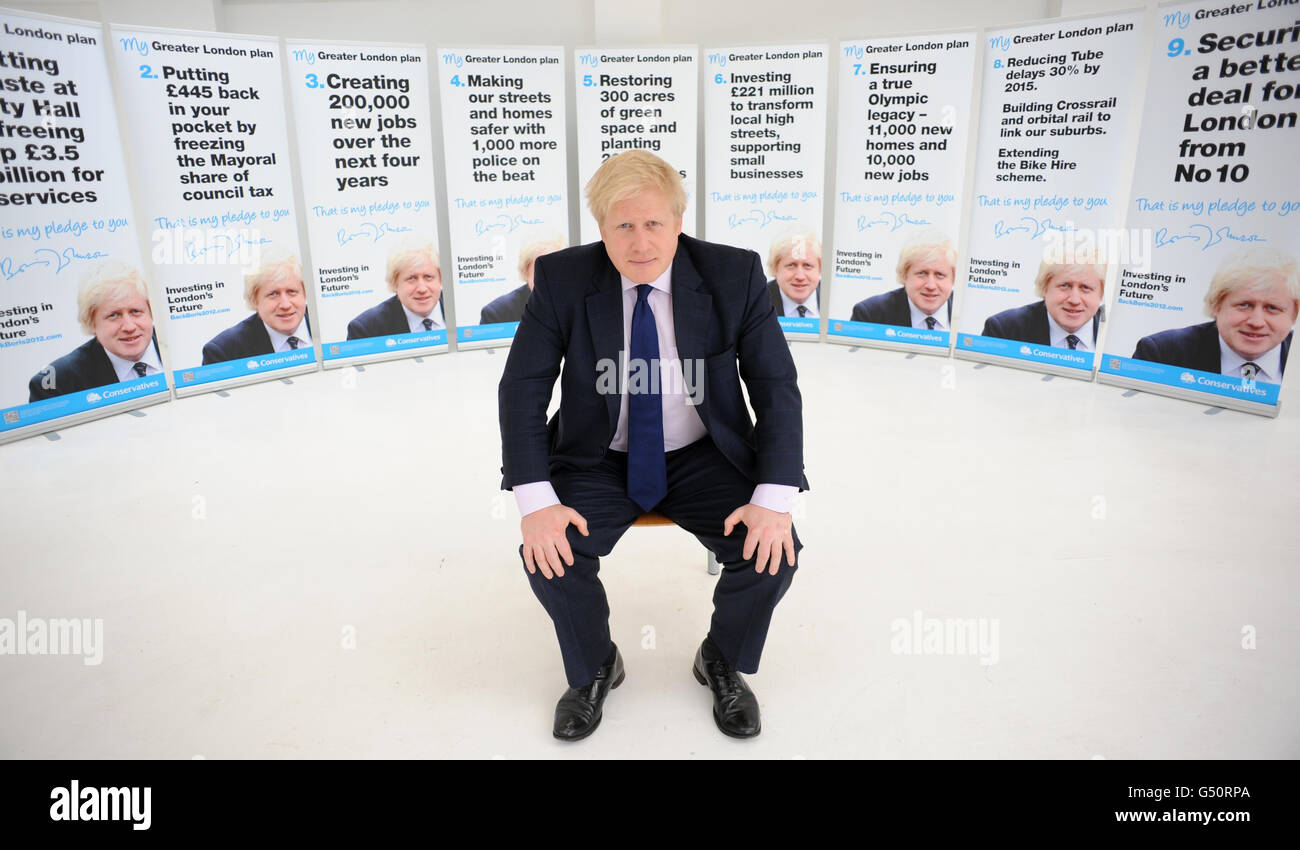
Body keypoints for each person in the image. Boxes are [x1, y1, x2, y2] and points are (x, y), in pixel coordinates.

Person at [498, 150, 807, 741]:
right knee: (550, 552)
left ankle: (721, 657)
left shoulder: (733, 274)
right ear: (601, 229)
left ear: (679, 222)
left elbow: (775, 386)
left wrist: (774, 497)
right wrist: (535, 500)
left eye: (654, 224)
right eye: (623, 226)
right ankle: (595, 666)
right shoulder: (562, 279)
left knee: (776, 549)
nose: (640, 243)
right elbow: (523, 387)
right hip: (598, 456)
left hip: (703, 454)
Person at [1133, 246, 1297, 381]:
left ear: (1294, 314)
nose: (1256, 322)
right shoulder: (1162, 354)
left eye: (1273, 308)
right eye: (1244, 305)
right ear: (1216, 305)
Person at [28, 263, 163, 402]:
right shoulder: (55, 385)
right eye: (114, 315)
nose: (129, 327)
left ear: (151, 312)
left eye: (135, 311)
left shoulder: (183, 349)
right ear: (91, 322)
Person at [982, 246, 1105, 349]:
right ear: (1045, 287)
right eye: (1065, 285)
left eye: (1085, 288)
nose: (1074, 300)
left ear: (1101, 294)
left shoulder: (1118, 336)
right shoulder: (1004, 330)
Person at [202, 252, 312, 364]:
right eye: (273, 294)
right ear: (254, 300)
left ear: (304, 292)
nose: (285, 305)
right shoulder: (224, 352)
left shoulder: (328, 325)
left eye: (292, 291)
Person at [851, 230, 955, 330]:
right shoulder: (870, 315)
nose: (931, 286)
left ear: (953, 279)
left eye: (940, 274)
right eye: (922, 273)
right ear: (904, 275)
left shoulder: (968, 315)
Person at [347, 240, 445, 339]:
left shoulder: (460, 309)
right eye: (411, 278)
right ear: (394, 283)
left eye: (428, 277)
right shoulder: (366, 330)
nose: (422, 289)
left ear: (440, 279)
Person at [479, 238, 566, 325]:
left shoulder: (577, 304)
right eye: (542, 273)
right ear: (525, 273)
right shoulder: (497, 313)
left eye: (557, 272)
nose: (550, 281)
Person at [766, 233, 820, 318]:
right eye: (791, 265)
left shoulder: (837, 300)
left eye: (807, 265)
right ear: (775, 268)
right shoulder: (760, 301)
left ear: (820, 269)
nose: (800, 277)